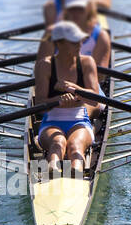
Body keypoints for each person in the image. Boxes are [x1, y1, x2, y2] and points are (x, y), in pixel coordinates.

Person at [34, 20, 101, 177]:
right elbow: (39, 105)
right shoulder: (45, 65)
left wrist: (74, 89)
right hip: (50, 123)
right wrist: (59, 100)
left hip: (80, 121)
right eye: (73, 41)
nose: (79, 43)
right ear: (59, 43)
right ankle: (52, 174)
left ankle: (76, 176)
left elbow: (95, 100)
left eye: (80, 39)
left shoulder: (86, 62)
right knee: (58, 144)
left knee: (75, 146)